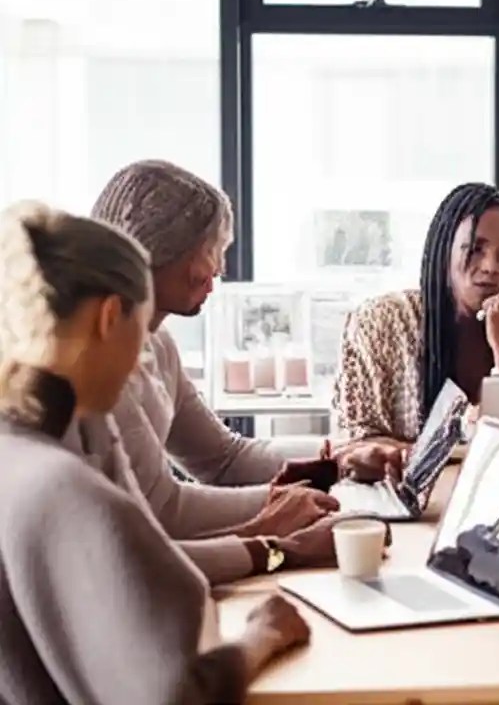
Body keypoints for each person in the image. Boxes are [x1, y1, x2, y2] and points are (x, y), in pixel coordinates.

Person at [0, 201, 309, 704]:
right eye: (142, 330)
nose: (140, 363)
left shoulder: (45, 440)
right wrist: (262, 638)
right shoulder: (66, 488)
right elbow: (173, 695)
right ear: (109, 317)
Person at [92, 159, 341, 584]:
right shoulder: (100, 368)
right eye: (210, 249)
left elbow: (225, 459)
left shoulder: (158, 344)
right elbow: (161, 511)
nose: (219, 269)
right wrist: (277, 510)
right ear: (159, 250)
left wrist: (339, 454)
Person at [333, 183, 499, 480]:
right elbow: (355, 441)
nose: (491, 267)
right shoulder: (381, 322)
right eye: (475, 249)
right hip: (390, 497)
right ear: (445, 254)